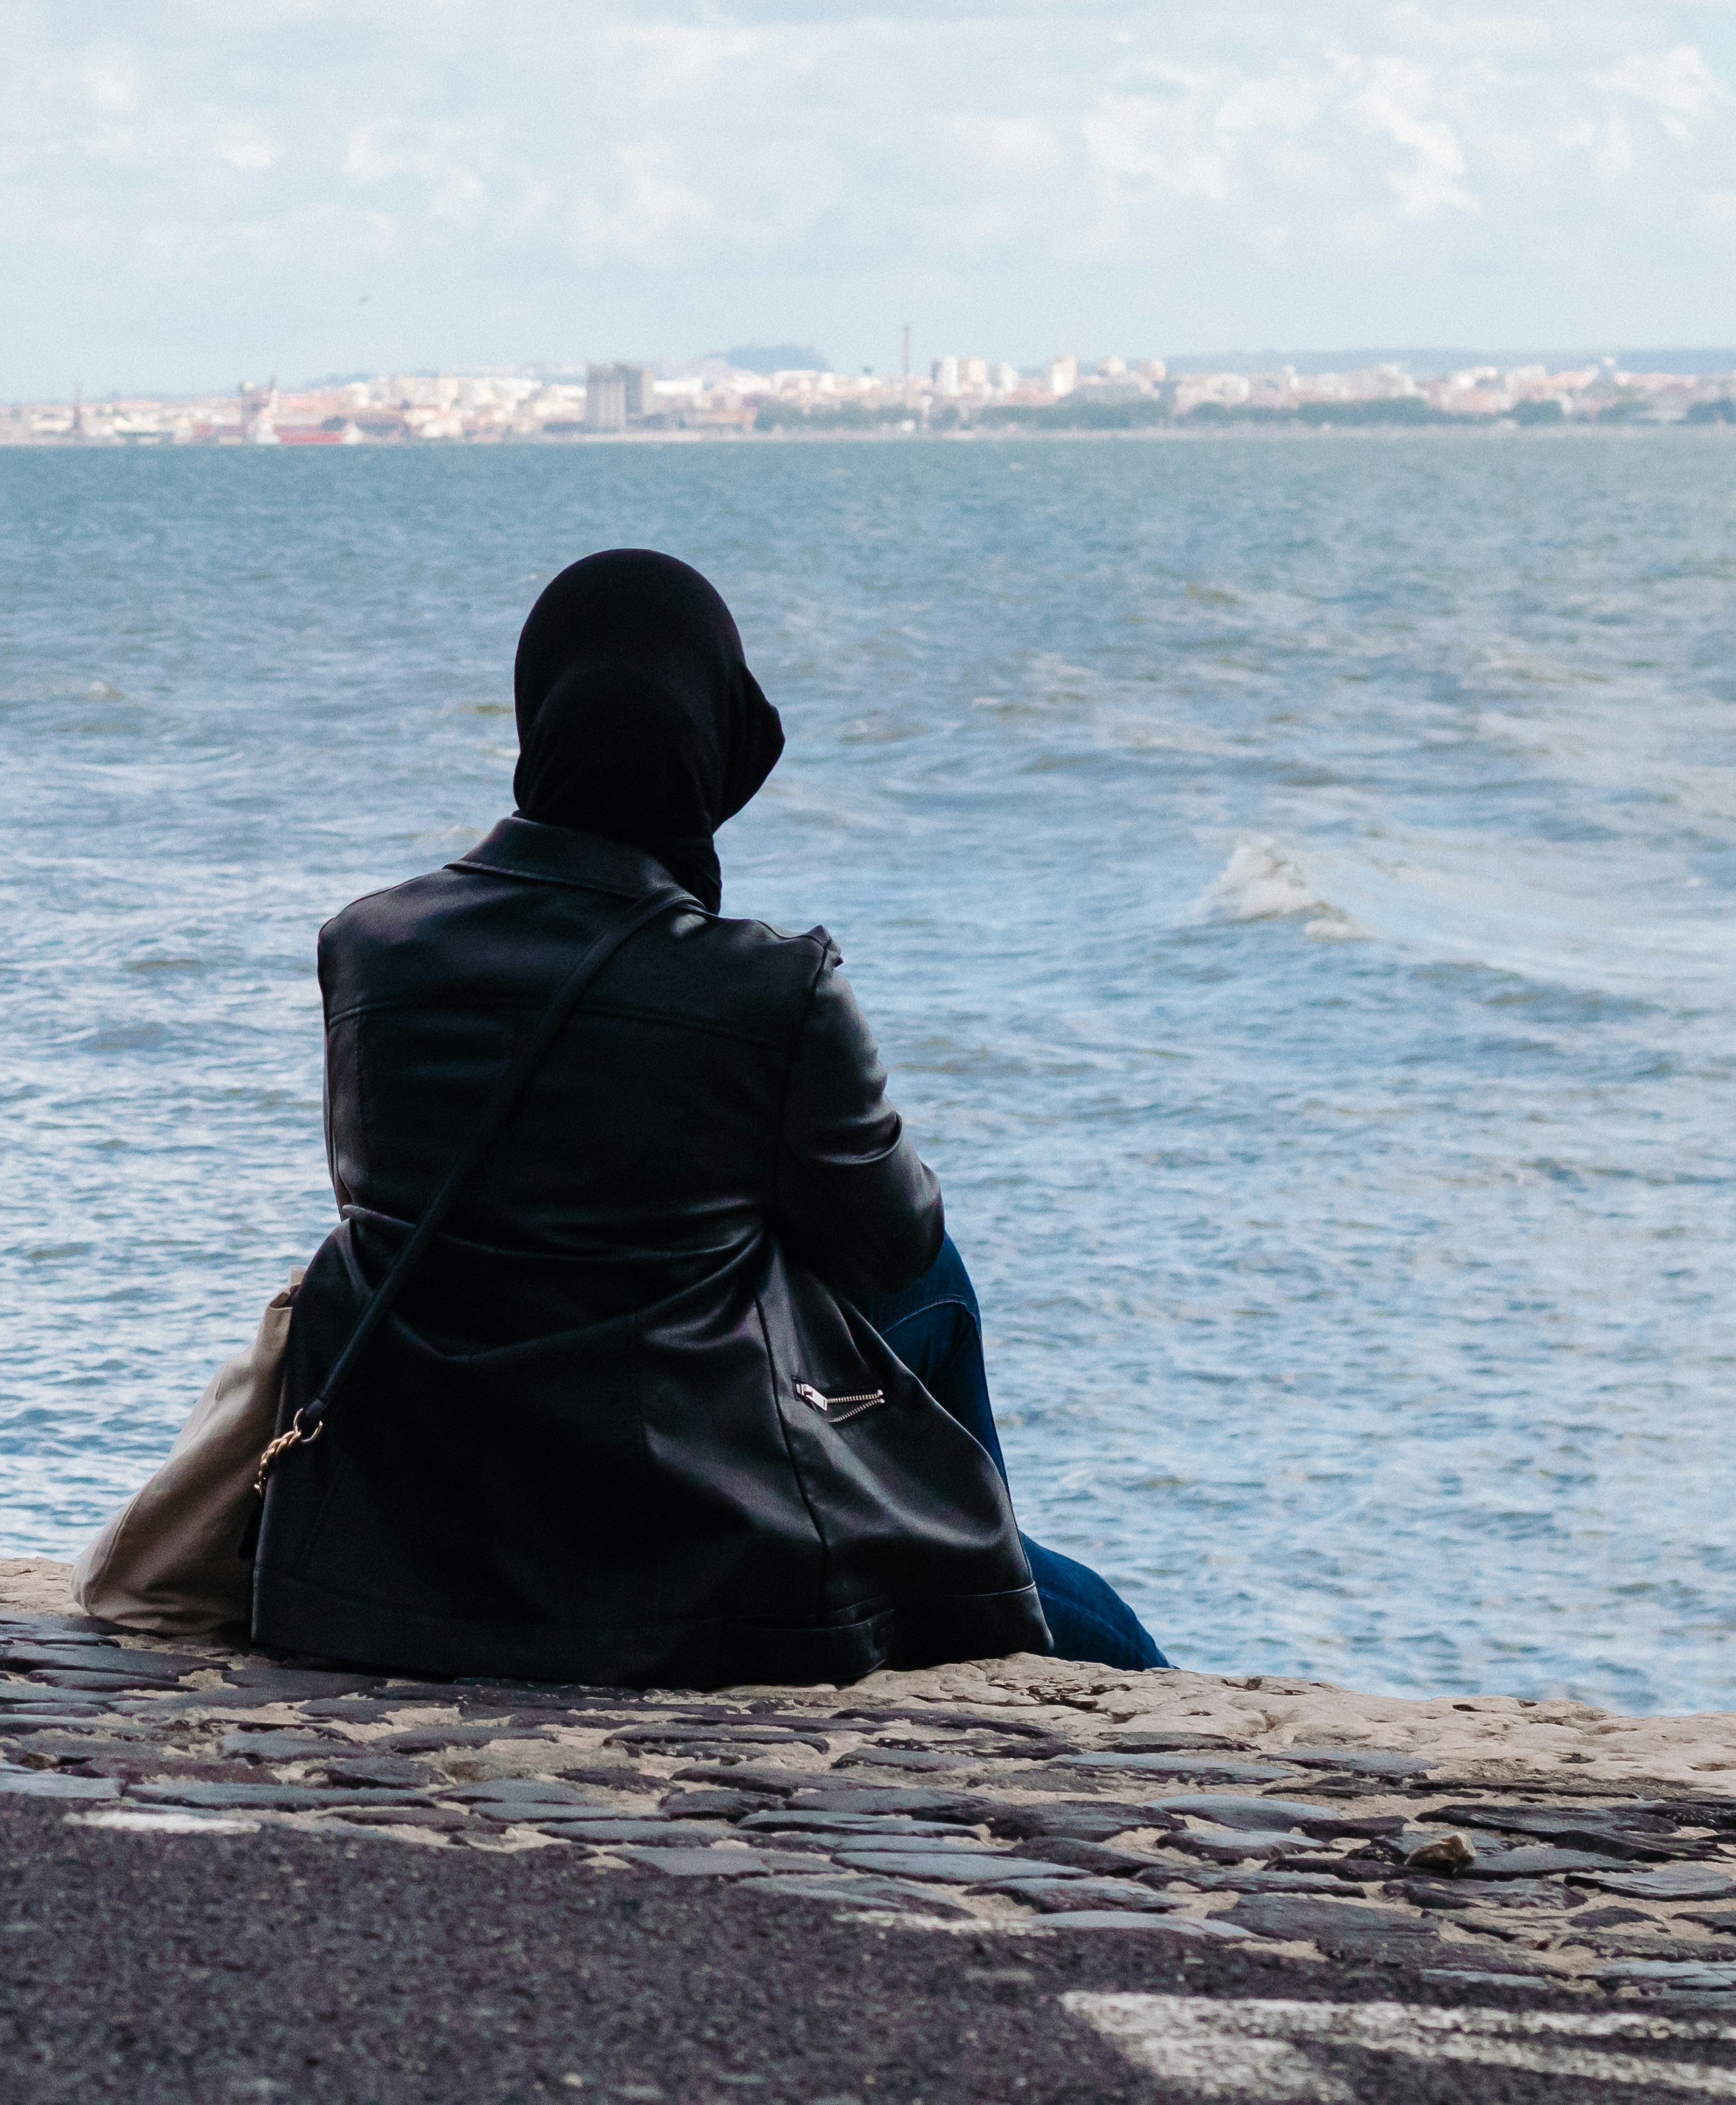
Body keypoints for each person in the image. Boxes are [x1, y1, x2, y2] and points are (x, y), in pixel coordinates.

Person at [247, 546, 1164, 1687]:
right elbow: (897, 1240)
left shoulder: (366, 948)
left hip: (404, 1540)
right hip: (691, 1548)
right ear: (712, 736)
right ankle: (971, 1559)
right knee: (1054, 1543)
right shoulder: (768, 988)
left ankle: (969, 1550)